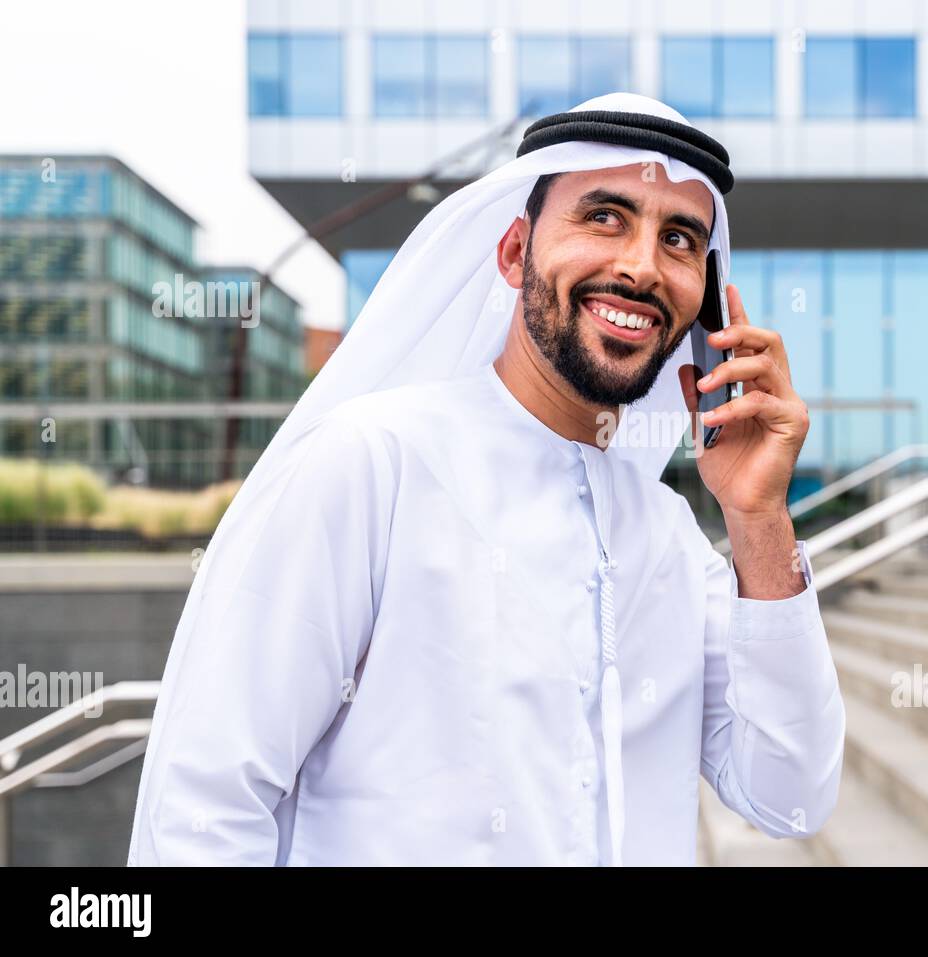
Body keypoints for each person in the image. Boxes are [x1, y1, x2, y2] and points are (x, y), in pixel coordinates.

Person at [127, 92, 846, 866]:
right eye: (604, 217)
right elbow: (204, 809)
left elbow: (789, 789)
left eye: (679, 238)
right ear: (513, 253)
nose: (640, 265)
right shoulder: (371, 466)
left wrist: (758, 518)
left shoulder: (669, 537)